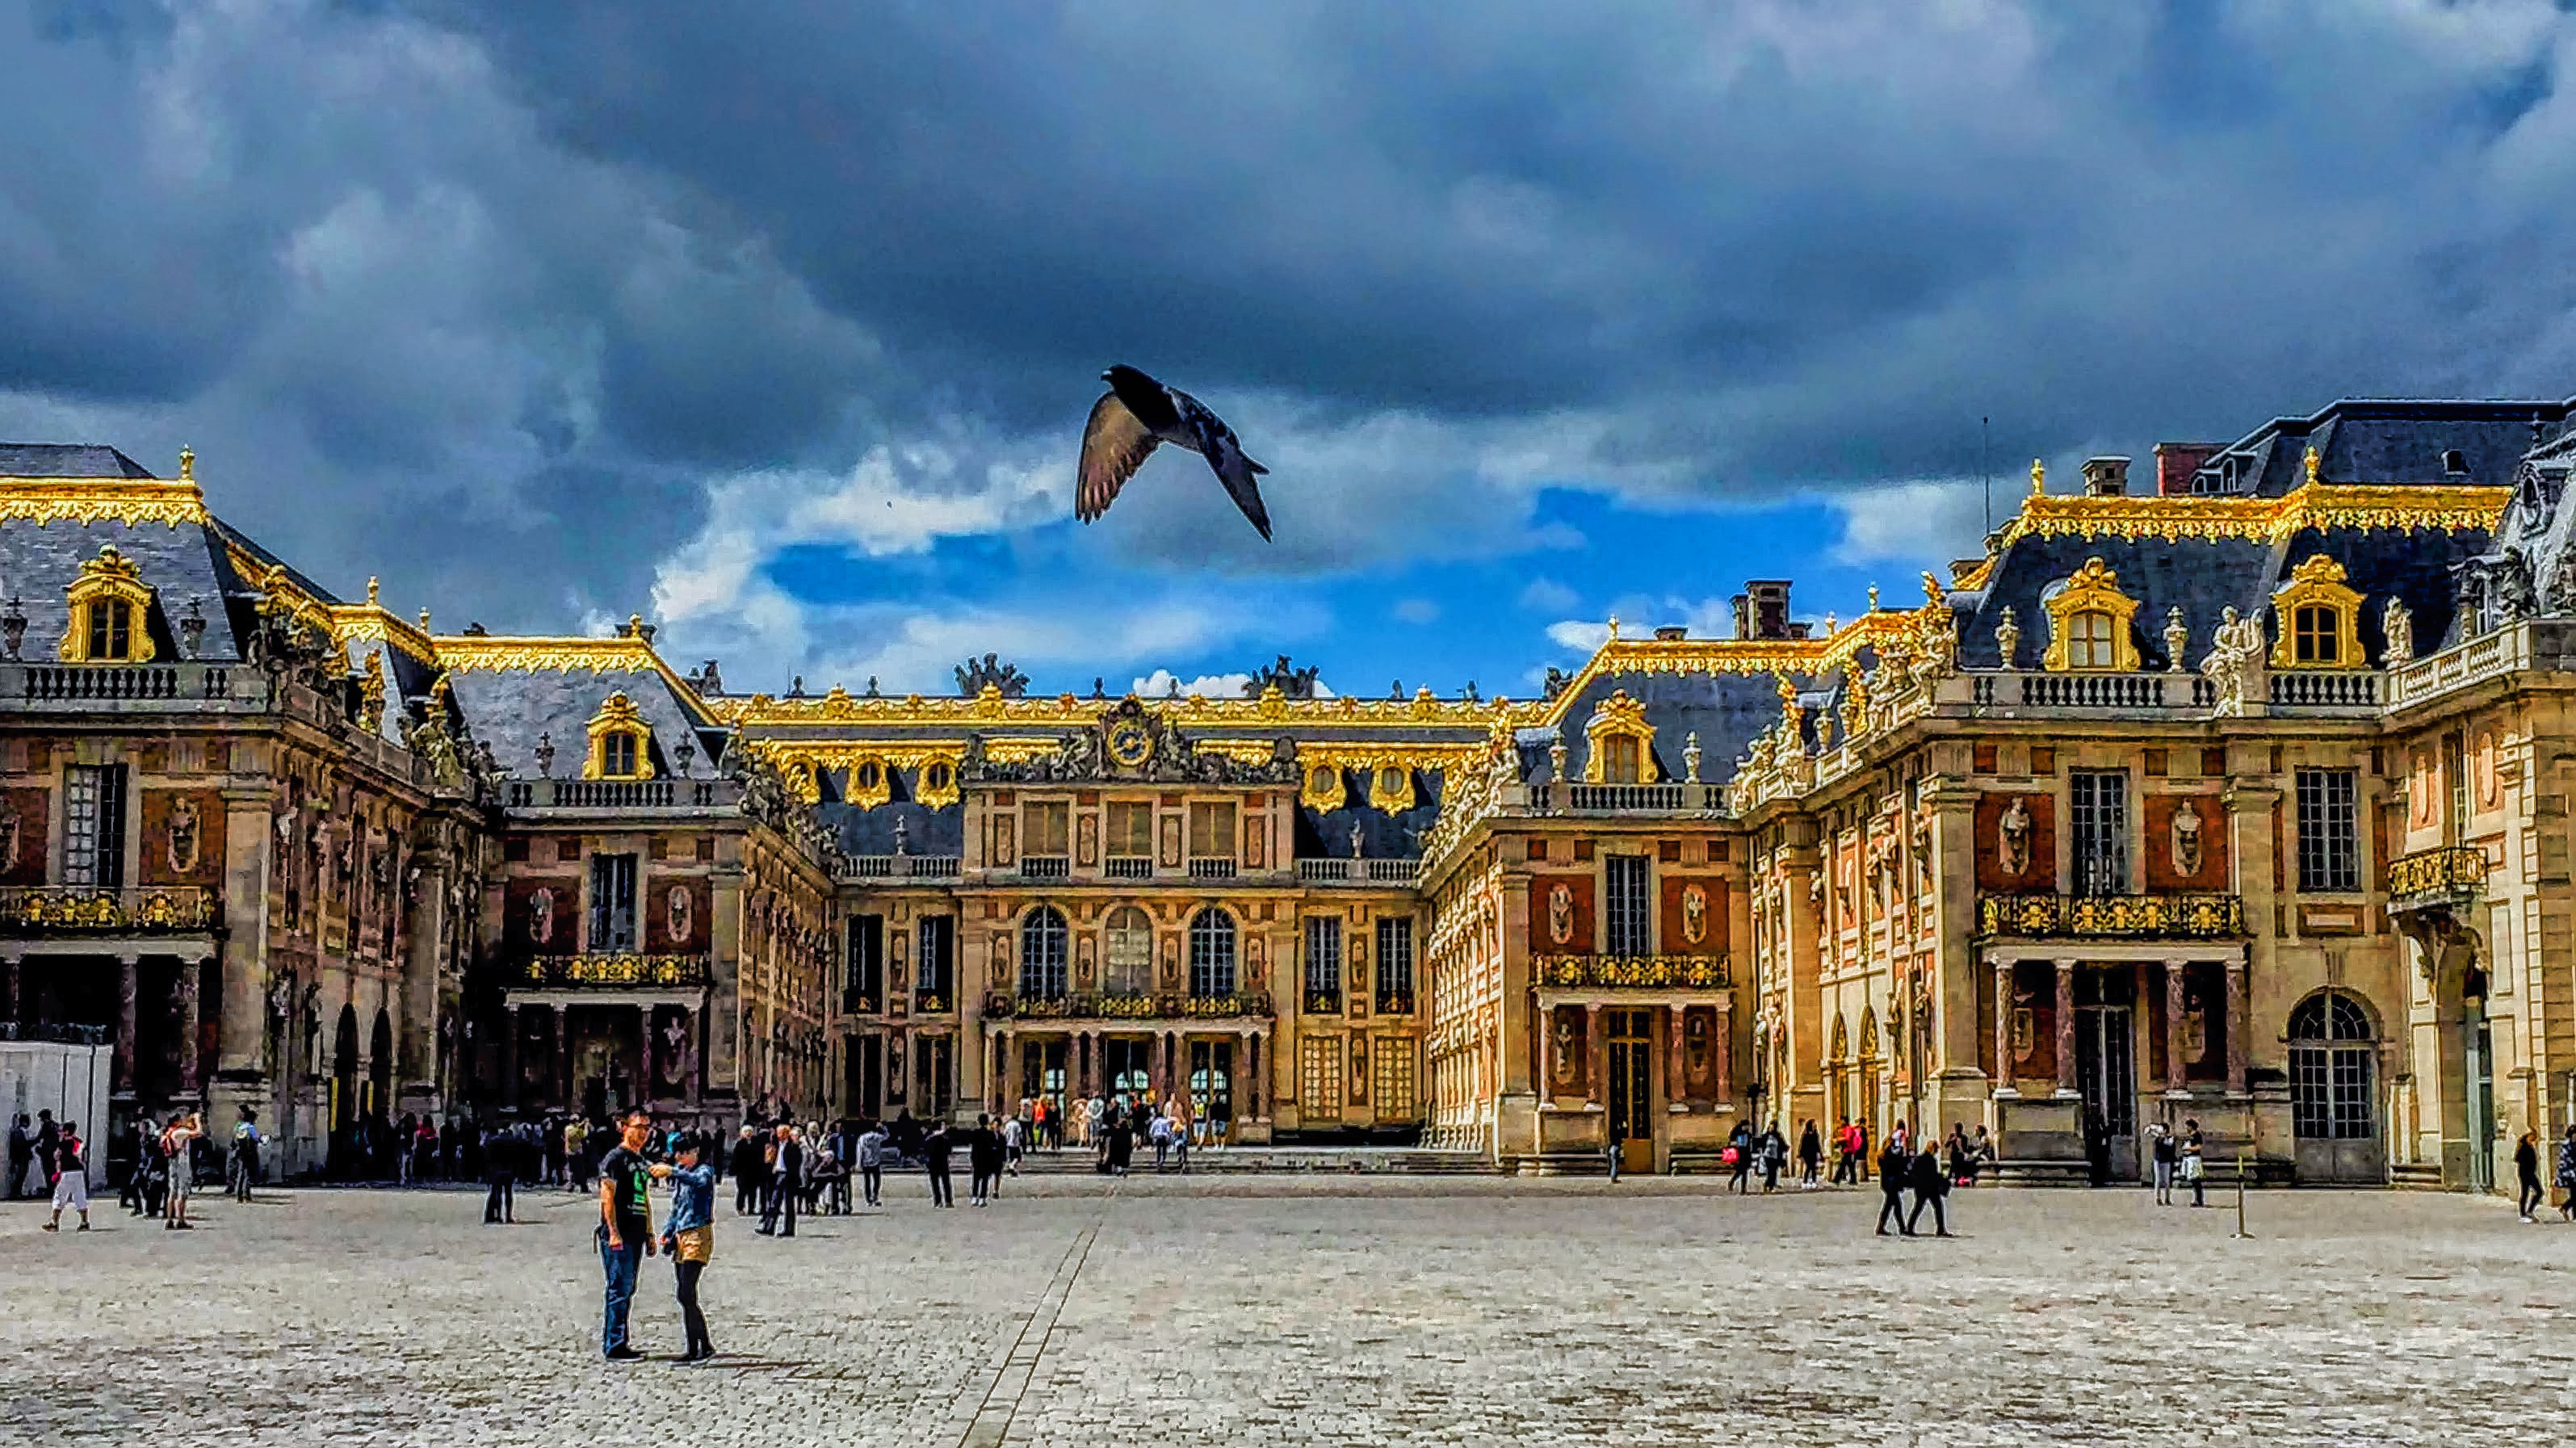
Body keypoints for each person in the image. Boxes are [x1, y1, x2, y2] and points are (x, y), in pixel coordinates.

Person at [596, 1110, 657, 1361]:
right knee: (618, 1289)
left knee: (628, 1289)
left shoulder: (641, 1160)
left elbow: (644, 1197)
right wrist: (612, 1232)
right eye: (638, 1127)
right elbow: (607, 1196)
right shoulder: (615, 1158)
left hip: (636, 1233)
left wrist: (650, 1232)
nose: (643, 1132)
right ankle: (614, 1345)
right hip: (619, 1233)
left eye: (647, 1128)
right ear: (624, 1128)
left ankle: (621, 1341)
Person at [653, 1135, 719, 1363]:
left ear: (695, 1152)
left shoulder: (704, 1172)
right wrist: (668, 1232)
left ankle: (696, 1348)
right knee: (684, 1294)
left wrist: (672, 1171)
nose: (678, 1157)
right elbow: (677, 1207)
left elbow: (698, 1183)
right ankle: (702, 1345)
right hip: (681, 1235)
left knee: (687, 1292)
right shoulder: (682, 1175)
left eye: (683, 1153)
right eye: (677, 1153)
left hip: (698, 1235)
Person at [44, 1121, 91, 1232]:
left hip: (66, 1172)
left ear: (66, 1132)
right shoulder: (79, 1142)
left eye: (61, 1131)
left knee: (59, 1196)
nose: (59, 1133)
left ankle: (54, 1222)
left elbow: (57, 1156)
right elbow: (83, 1158)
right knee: (80, 1196)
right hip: (79, 1171)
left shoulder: (63, 1142)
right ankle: (84, 1222)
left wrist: (58, 1170)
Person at [758, 1124, 801, 1238]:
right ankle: (769, 1227)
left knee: (788, 1204)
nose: (778, 1135)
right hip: (778, 1174)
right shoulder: (778, 1145)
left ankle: (789, 1229)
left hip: (787, 1175)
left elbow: (796, 1162)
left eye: (780, 1133)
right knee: (774, 1202)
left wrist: (791, 1174)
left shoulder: (793, 1146)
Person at [161, 1112, 201, 1230]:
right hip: (182, 1164)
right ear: (176, 1121)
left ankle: (169, 1220)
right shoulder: (179, 1132)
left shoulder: (169, 1132)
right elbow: (198, 1132)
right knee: (182, 1193)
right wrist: (197, 1120)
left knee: (172, 1192)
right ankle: (181, 1220)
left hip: (172, 1164)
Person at [1906, 1144, 1953, 1237]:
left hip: (1920, 1188)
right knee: (1938, 1208)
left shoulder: (1919, 1159)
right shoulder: (1931, 1160)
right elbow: (1932, 1175)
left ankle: (1909, 1227)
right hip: (1930, 1188)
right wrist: (1942, 1178)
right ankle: (1940, 1230)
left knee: (1918, 1207)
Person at [1874, 1133, 1910, 1236]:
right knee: (1893, 1205)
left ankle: (1898, 1227)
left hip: (1887, 1183)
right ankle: (1899, 1228)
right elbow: (1899, 1166)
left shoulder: (1882, 1154)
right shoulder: (1890, 1154)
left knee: (1893, 1205)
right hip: (1891, 1183)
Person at [483, 1123, 518, 1224]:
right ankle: (508, 1216)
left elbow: (488, 1157)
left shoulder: (493, 1140)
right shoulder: (513, 1141)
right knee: (508, 1193)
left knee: (497, 1193)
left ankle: (498, 1216)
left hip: (496, 1170)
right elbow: (517, 1157)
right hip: (509, 1169)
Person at [728, 1127, 766, 1215]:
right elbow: (735, 1158)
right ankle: (740, 1207)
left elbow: (760, 1157)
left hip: (754, 1171)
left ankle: (751, 1208)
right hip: (742, 1172)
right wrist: (734, 1170)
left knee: (753, 1192)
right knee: (742, 1191)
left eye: (750, 1132)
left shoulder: (756, 1143)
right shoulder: (740, 1144)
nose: (748, 1133)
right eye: (746, 1132)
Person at [969, 1114, 1003, 1207]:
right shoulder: (990, 1134)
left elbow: (972, 1145)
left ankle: (974, 1197)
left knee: (976, 1179)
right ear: (987, 1122)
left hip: (977, 1159)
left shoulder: (975, 1133)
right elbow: (993, 1148)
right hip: (986, 1160)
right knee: (984, 1180)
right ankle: (982, 1198)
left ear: (979, 1122)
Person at [230, 1110, 262, 1202]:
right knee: (248, 1174)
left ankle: (238, 1194)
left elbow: (234, 1139)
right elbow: (256, 1139)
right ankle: (246, 1194)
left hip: (240, 1153)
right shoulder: (251, 1127)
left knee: (240, 1173)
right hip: (250, 1153)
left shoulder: (239, 1127)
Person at [924, 1122, 955, 1207]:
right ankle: (948, 1201)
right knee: (946, 1183)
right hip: (943, 1163)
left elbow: (926, 1150)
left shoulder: (929, 1138)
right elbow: (949, 1151)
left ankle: (938, 1201)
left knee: (935, 1184)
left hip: (933, 1163)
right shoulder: (945, 1138)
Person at [857, 1119, 887, 1207]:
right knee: (877, 1180)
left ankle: (868, 1199)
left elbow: (859, 1151)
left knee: (867, 1181)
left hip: (866, 1162)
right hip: (875, 1162)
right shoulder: (877, 1136)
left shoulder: (862, 1138)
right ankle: (875, 1196)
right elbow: (887, 1136)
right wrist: (883, 1127)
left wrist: (858, 1163)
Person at [2517, 1131, 2545, 1223]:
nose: (2533, 1139)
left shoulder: (2531, 1147)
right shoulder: (2523, 1148)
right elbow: (2518, 1159)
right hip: (2525, 1174)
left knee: (2539, 1192)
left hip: (2531, 1173)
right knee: (2525, 1193)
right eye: (2532, 1137)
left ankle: (2529, 1210)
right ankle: (2523, 1213)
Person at [2147, 1122, 2177, 1206]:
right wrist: (2152, 1128)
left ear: (2165, 1130)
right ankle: (2158, 1198)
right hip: (2158, 1160)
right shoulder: (2157, 1138)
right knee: (2158, 1181)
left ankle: (2167, 1198)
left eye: (2161, 1128)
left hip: (2166, 1161)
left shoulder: (2169, 1139)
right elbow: (2147, 1131)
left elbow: (2169, 1146)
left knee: (2167, 1181)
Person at [2181, 1119, 2207, 1207]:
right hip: (2189, 1159)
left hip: (2194, 1159)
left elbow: (2198, 1147)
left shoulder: (2197, 1135)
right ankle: (2196, 1199)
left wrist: (2188, 1149)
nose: (2186, 1128)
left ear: (2191, 1126)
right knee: (2193, 1181)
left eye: (2187, 1126)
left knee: (2196, 1180)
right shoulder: (2190, 1136)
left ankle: (2199, 1200)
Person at [6, 1113, 31, 1199]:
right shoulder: (18, 1132)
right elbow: (20, 1146)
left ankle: (17, 1192)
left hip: (22, 1158)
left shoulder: (21, 1132)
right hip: (20, 1158)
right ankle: (15, 1193)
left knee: (21, 1176)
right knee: (19, 1176)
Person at [2558, 1126, 2576, 1223]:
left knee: (2574, 1194)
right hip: (2570, 1173)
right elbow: (2565, 1160)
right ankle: (2566, 1208)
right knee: (2575, 1193)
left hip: (2572, 1172)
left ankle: (2566, 1209)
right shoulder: (2567, 1145)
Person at [1798, 1120, 1823, 1190]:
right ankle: (1805, 1181)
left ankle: (1813, 1181)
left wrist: (1820, 1153)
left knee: (1813, 1168)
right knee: (1809, 1167)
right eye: (1814, 1124)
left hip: (1813, 1153)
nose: (1815, 1125)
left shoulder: (1815, 1134)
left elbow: (1817, 1144)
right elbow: (1802, 1145)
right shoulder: (1805, 1135)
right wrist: (1801, 1154)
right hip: (1807, 1154)